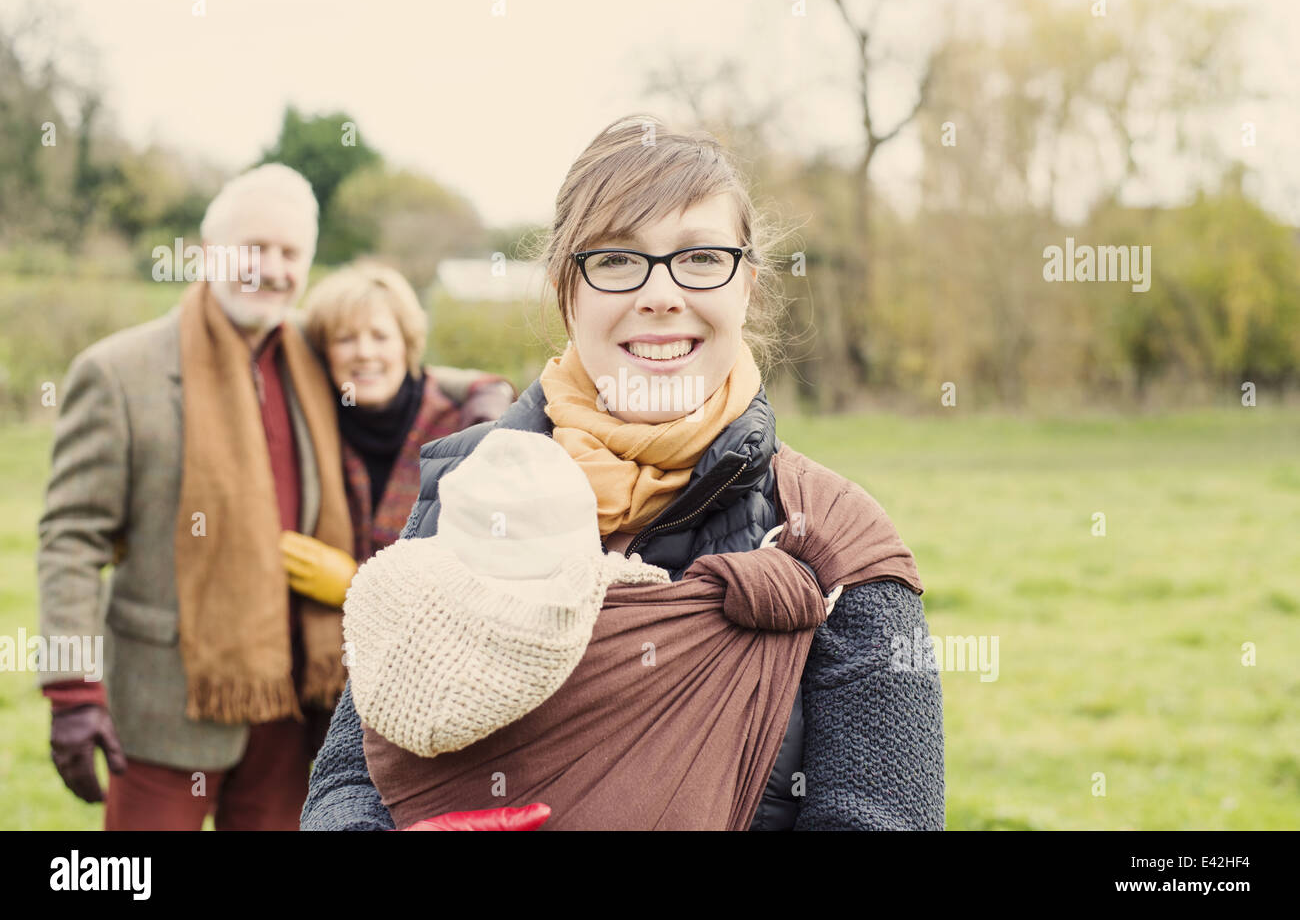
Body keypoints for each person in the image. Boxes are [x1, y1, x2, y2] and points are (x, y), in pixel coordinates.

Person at [302, 115, 946, 831]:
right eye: (616, 259)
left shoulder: (838, 543)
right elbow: (348, 775)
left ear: (747, 288)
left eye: (701, 258)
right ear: (564, 289)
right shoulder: (471, 493)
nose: (662, 293)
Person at [38, 163, 353, 830]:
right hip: (164, 705)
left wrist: (476, 396)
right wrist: (72, 691)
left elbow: (400, 380)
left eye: (289, 252)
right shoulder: (119, 372)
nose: (270, 268)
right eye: (252, 248)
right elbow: (70, 537)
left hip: (293, 705)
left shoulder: (317, 359)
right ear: (207, 254)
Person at [284, 259, 517, 607]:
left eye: (380, 336)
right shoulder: (314, 430)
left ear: (406, 344)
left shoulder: (458, 430)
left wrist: (356, 584)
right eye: (345, 338)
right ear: (324, 353)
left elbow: (481, 569)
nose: (364, 353)